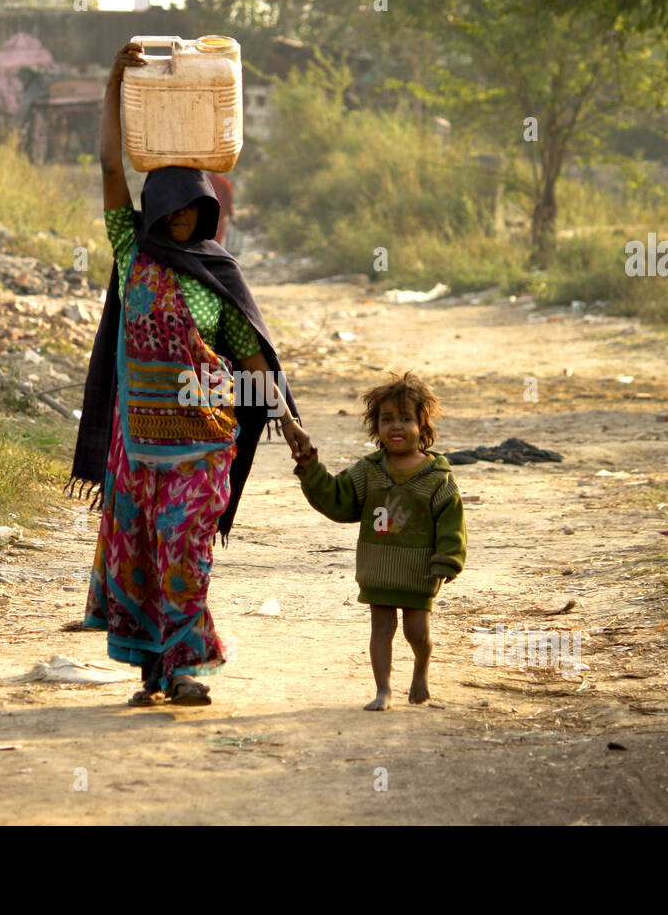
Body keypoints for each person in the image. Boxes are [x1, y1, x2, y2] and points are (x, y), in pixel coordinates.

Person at [68, 40, 309, 708]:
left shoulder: (218, 274)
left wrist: (289, 424)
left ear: (208, 211)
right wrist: (115, 82)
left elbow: (252, 354)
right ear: (152, 210)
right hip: (137, 445)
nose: (179, 217)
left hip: (204, 442)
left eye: (191, 208)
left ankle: (185, 669)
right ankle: (154, 673)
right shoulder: (130, 251)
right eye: (169, 207)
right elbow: (109, 163)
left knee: (186, 557)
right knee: (142, 562)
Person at [292, 372, 467, 710]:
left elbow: (452, 523)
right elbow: (338, 499)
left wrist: (448, 557)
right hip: (378, 570)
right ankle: (383, 690)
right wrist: (311, 469)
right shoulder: (368, 471)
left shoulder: (437, 478)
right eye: (387, 419)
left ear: (423, 425)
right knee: (382, 628)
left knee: (417, 632)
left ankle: (420, 668)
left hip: (418, 572)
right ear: (376, 427)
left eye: (405, 418)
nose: (396, 427)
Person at [207, 172, 234, 245]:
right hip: (219, 218)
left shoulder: (204, 180)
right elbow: (228, 200)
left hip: (204, 216)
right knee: (216, 243)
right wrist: (231, 214)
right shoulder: (225, 182)